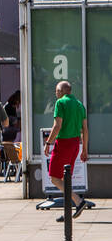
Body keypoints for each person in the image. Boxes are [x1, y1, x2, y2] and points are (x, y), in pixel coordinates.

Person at [44, 80, 89, 215]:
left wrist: (48, 143)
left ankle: (78, 201)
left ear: (62, 91)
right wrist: (85, 149)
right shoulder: (80, 105)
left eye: (57, 91)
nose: (55, 93)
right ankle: (68, 212)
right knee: (66, 178)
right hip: (75, 144)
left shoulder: (60, 103)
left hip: (63, 143)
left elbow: (57, 126)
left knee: (54, 178)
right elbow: (85, 129)